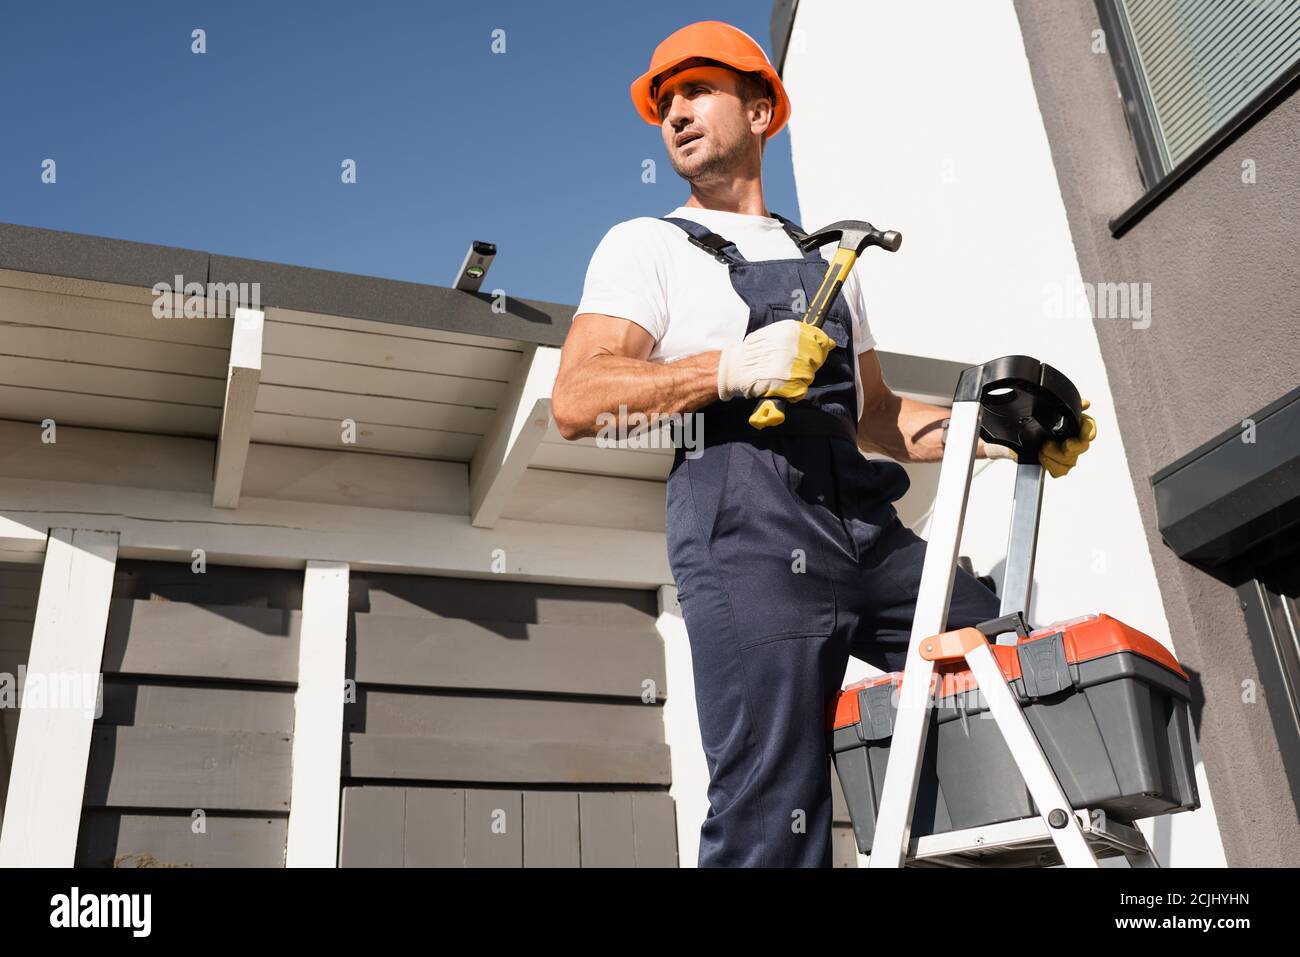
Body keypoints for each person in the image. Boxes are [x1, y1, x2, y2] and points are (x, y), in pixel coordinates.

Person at [551, 20, 1096, 867]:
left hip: (866, 529)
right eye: (665, 102)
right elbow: (578, 398)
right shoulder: (647, 245)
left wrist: (1001, 437)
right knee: (773, 796)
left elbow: (879, 417)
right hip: (747, 530)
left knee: (1012, 664)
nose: (676, 113)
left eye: (698, 90)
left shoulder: (828, 264)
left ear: (762, 110)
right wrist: (727, 368)